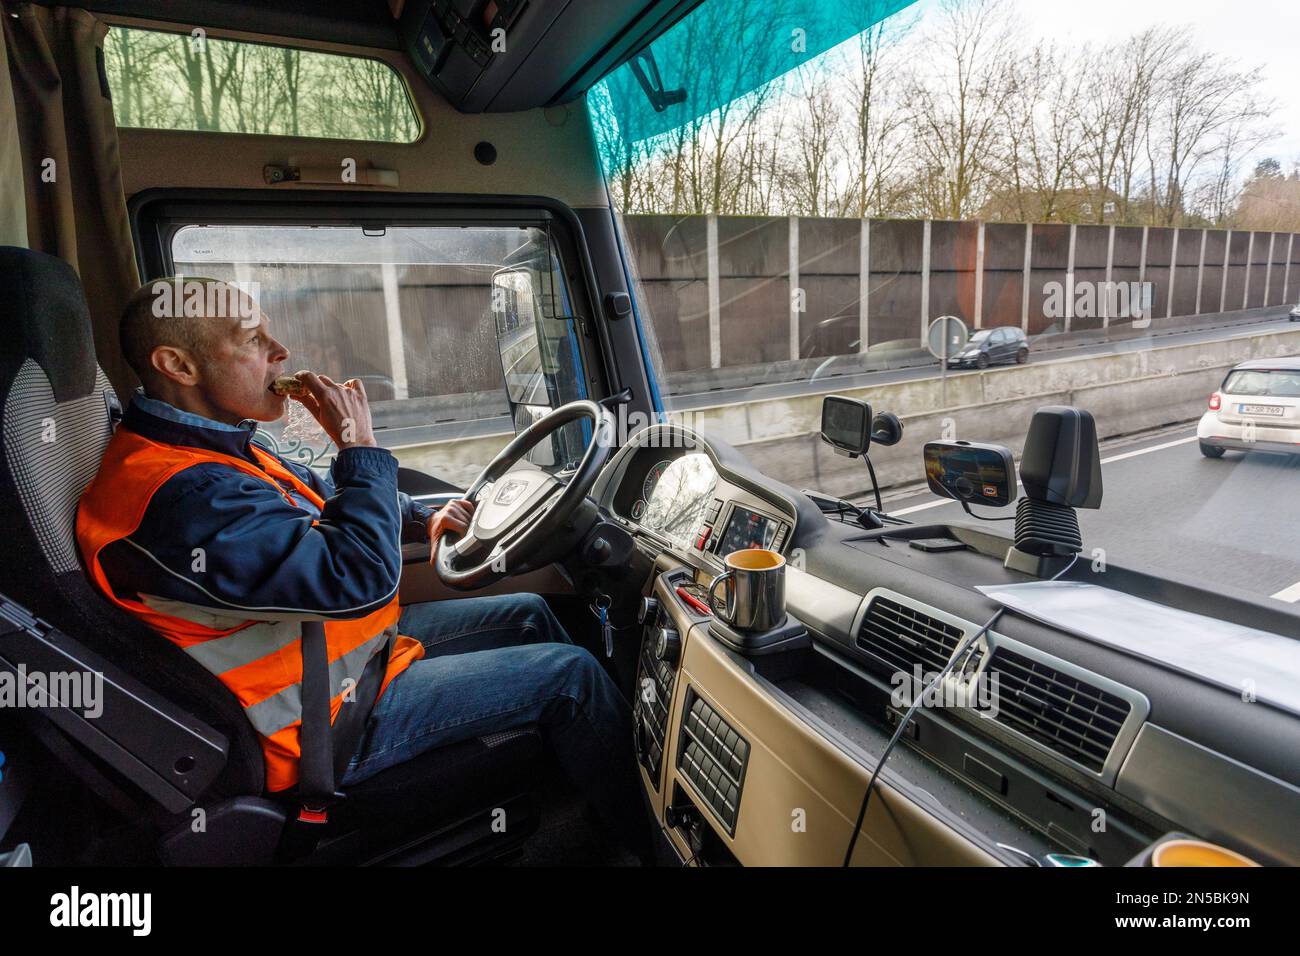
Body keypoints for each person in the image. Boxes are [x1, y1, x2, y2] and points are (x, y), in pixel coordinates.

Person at [75, 277, 649, 858]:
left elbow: (316, 506)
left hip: (343, 658)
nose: (281, 353)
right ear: (177, 364)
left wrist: (417, 513)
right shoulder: (183, 496)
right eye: (252, 340)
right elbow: (357, 577)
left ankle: (581, 788)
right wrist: (359, 445)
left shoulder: (215, 447)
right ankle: (650, 839)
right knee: (569, 675)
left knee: (528, 613)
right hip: (322, 725)